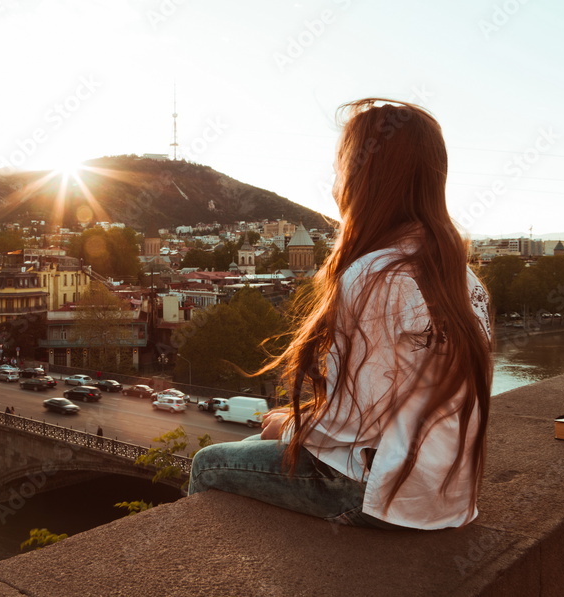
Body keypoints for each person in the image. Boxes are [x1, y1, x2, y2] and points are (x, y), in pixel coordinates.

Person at [188, 99, 493, 531]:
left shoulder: (375, 272)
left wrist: (290, 426)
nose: (336, 180)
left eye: (343, 164)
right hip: (447, 494)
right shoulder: (461, 276)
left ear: (364, 176)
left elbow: (350, 428)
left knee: (209, 464)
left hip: (382, 493)